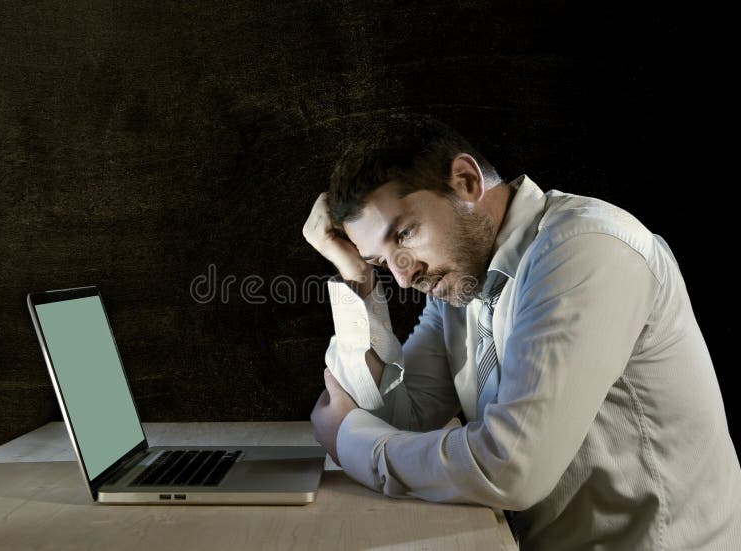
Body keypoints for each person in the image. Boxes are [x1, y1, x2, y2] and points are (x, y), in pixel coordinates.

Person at [303, 115, 741, 550]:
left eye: (405, 233)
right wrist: (355, 276)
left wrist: (351, 439)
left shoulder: (585, 248)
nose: (403, 276)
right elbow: (396, 422)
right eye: (382, 262)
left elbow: (511, 467)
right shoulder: (462, 285)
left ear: (466, 181)